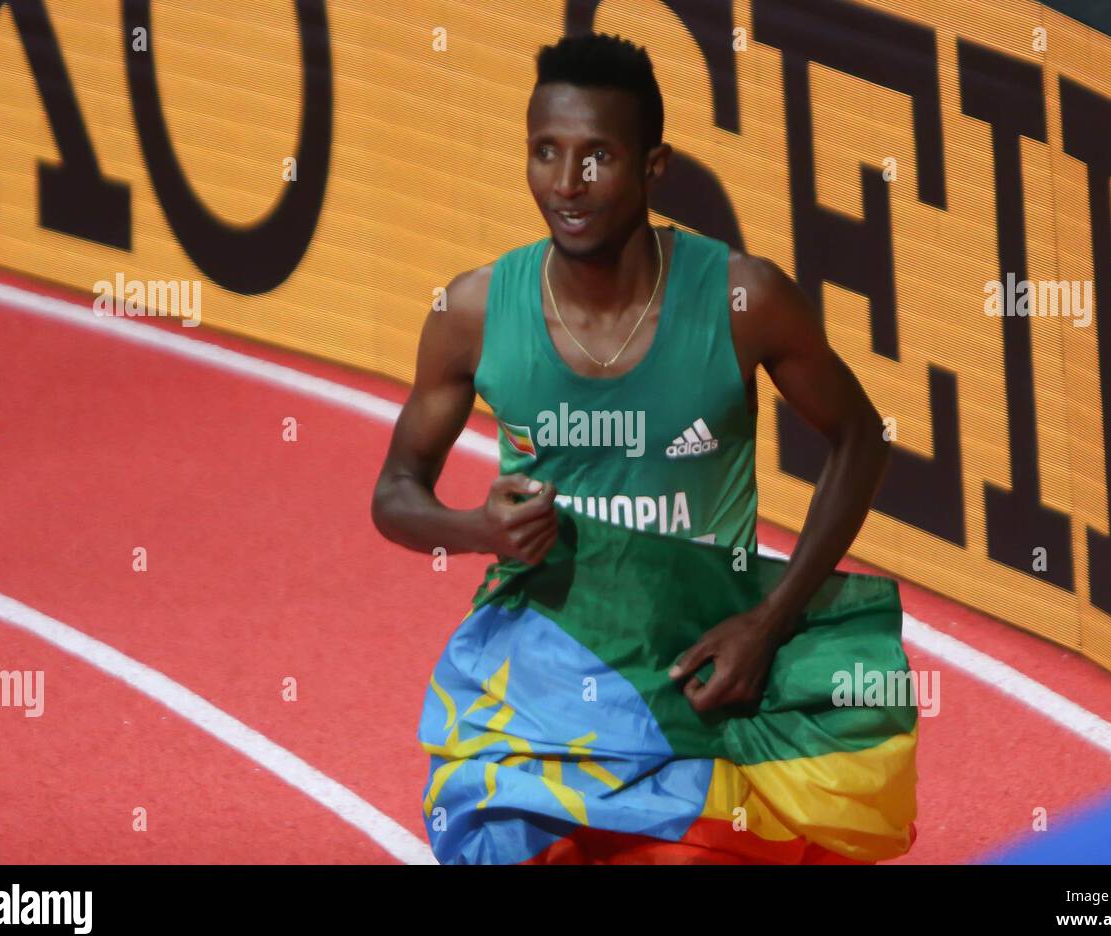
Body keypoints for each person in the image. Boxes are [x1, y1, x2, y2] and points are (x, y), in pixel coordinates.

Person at [373, 31, 890, 716]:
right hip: (545, 671)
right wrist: (479, 530)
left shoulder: (746, 301)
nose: (565, 184)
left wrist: (769, 622)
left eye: (598, 158)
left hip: (705, 667)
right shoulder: (471, 312)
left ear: (653, 167)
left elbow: (861, 436)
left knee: (860, 722)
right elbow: (394, 494)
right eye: (545, 151)